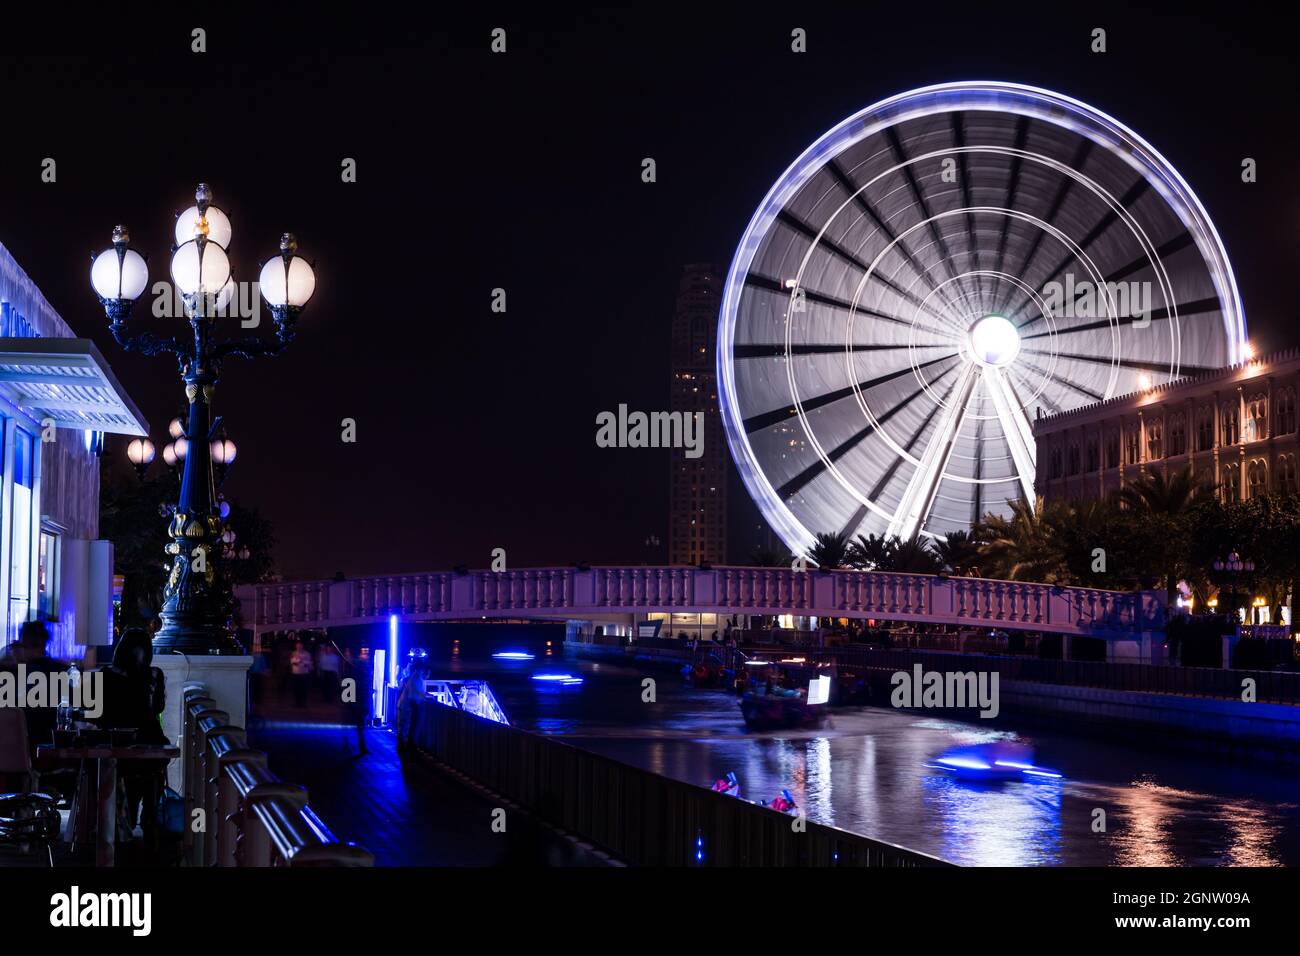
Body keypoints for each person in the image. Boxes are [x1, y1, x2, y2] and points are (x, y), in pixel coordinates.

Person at [95, 628, 167, 846]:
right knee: (151, 771)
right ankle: (149, 818)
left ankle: (122, 817)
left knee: (123, 766)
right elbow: (158, 708)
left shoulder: (103, 676)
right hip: (149, 744)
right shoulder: (154, 675)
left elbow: (95, 713)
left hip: (113, 746)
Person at [289, 641, 313, 707]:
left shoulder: (307, 653)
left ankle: (303, 703)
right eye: (297, 646)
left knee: (304, 689)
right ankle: (296, 703)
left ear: (302, 646)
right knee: (296, 689)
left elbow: (309, 663)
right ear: (296, 646)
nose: (299, 647)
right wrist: (296, 662)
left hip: (304, 674)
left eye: (300, 645)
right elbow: (292, 662)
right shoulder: (293, 653)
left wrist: (303, 662)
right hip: (295, 673)